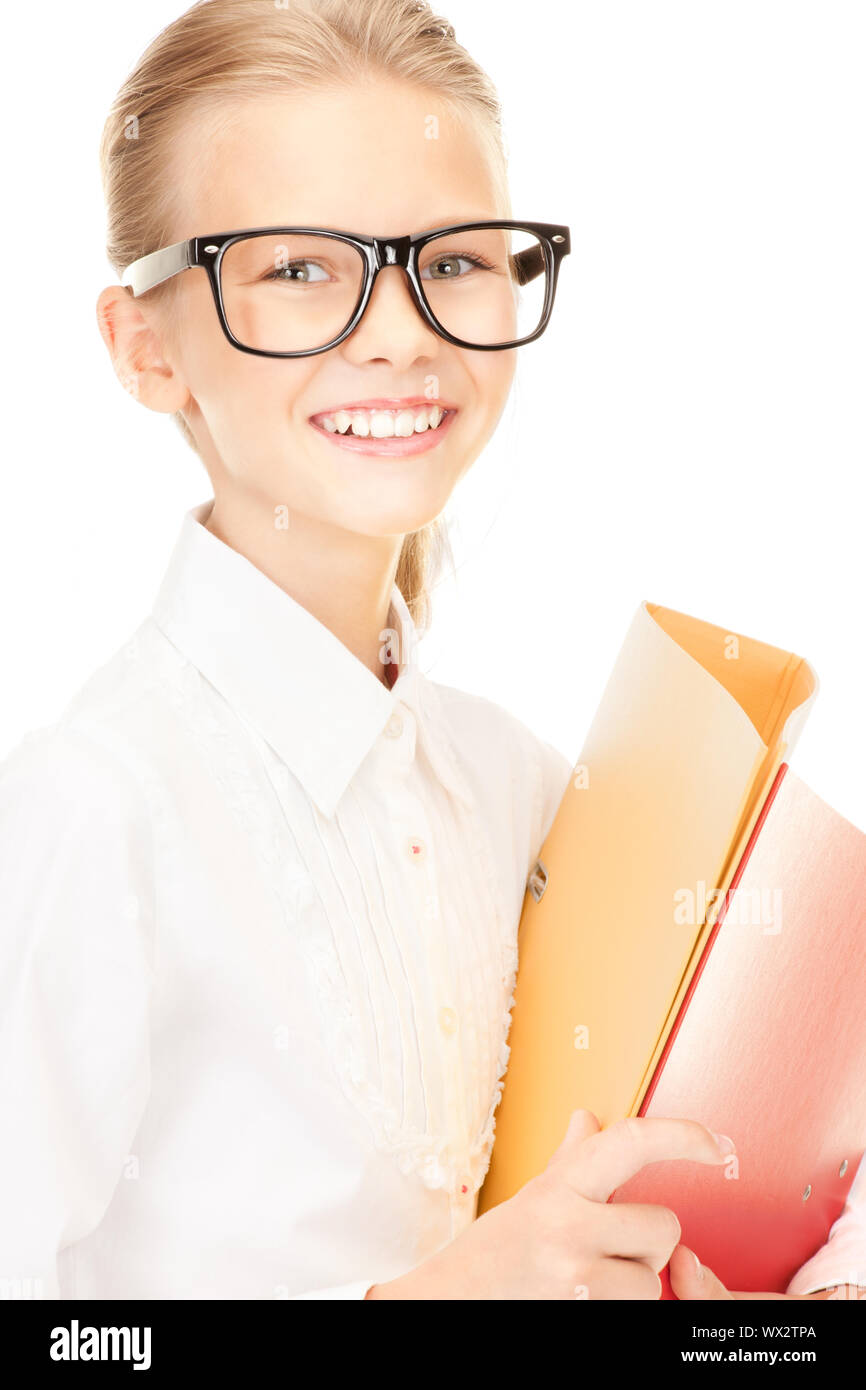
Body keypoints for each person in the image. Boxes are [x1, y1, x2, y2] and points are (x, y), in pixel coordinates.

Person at [0, 0, 859, 1301]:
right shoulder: (87, 812)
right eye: (298, 268)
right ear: (144, 347)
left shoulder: (520, 782)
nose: (400, 331)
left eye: (451, 259)